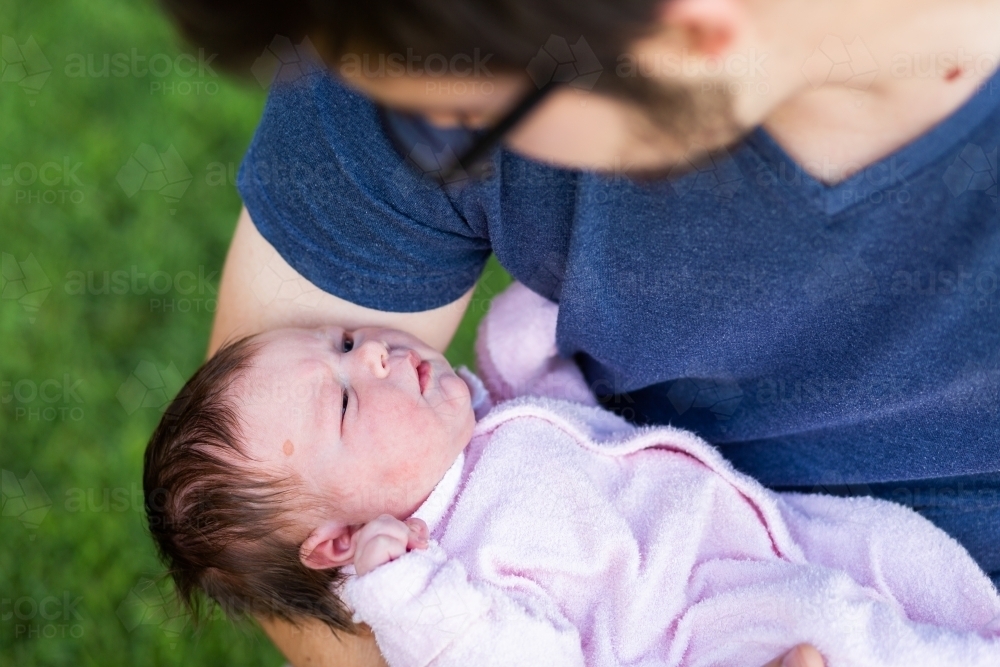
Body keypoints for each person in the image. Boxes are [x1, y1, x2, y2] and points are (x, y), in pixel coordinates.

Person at [158, 0, 1000, 665]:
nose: (432, 136)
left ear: (691, 39)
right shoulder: (404, 26)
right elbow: (262, 513)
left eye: (469, 114)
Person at [142, 309, 1000, 666]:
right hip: (705, 632)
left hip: (766, 533)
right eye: (341, 399)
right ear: (339, 541)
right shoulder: (443, 593)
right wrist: (403, 590)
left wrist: (527, 339)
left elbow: (564, 416)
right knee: (847, 626)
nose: (368, 353)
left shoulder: (481, 429)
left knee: (903, 556)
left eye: (337, 340)